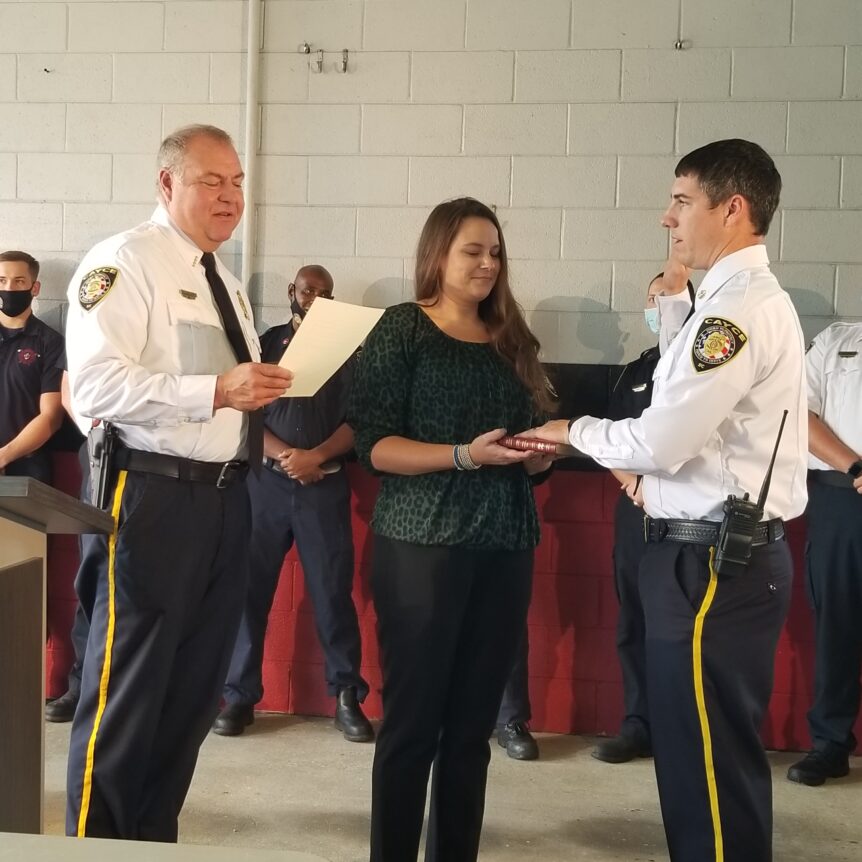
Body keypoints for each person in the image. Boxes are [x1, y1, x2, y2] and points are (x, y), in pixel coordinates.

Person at [527, 140, 808, 862]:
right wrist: (678, 301)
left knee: (706, 767)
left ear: (733, 208)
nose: (667, 217)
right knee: (701, 759)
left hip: (713, 563)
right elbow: (696, 411)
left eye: (682, 201)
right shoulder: (721, 305)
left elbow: (665, 438)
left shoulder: (736, 312)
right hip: (709, 553)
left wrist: (570, 430)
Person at [64, 124, 293, 842]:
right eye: (210, 181)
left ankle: (149, 844)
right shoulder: (125, 262)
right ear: (167, 184)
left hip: (227, 499)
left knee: (192, 693)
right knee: (126, 694)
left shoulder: (224, 279)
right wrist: (216, 390)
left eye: (237, 183)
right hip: (153, 496)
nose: (229, 196)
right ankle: (95, 851)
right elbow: (98, 386)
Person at [349, 197, 554, 862]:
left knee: (470, 732)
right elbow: (375, 446)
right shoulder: (403, 329)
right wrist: (464, 454)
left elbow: (522, 446)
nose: (489, 263)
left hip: (503, 545)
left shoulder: (512, 339)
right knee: (412, 728)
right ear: (438, 254)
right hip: (421, 546)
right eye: (474, 250)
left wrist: (537, 459)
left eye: (496, 252)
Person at [213, 265, 372, 742]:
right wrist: (286, 456)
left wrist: (316, 457)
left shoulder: (352, 351)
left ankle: (346, 695)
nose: (315, 297)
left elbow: (362, 419)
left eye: (324, 291)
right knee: (250, 591)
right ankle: (239, 696)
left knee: (331, 594)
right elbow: (247, 413)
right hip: (267, 483)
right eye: (308, 290)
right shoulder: (263, 344)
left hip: (324, 482)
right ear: (292, 292)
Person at [593, 261, 693, 764]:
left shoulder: (701, 368)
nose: (658, 308)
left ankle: (680, 729)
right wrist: (631, 483)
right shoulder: (635, 371)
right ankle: (638, 723)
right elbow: (609, 440)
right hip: (634, 513)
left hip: (684, 520)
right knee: (632, 620)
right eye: (653, 300)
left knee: (676, 625)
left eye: (668, 298)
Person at [786, 321, 862, 786]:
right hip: (841, 498)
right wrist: (855, 467)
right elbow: (798, 415)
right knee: (836, 624)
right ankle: (830, 744)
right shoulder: (837, 341)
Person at [0, 250, 65, 484]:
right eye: (2, 281)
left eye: (19, 281)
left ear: (34, 289)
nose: (9, 288)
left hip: (27, 471)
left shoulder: (51, 343)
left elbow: (51, 417)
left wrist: (4, 456)